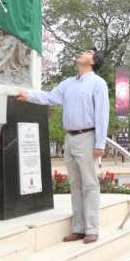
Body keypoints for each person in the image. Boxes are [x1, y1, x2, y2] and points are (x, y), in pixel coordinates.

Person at [15, 47, 109, 245]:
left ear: (93, 61)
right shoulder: (68, 83)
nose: (82, 52)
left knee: (90, 184)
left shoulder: (98, 84)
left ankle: (92, 229)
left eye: (87, 52)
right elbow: (50, 97)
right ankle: (79, 228)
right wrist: (28, 95)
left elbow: (102, 115)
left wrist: (100, 143)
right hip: (70, 138)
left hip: (88, 137)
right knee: (75, 184)